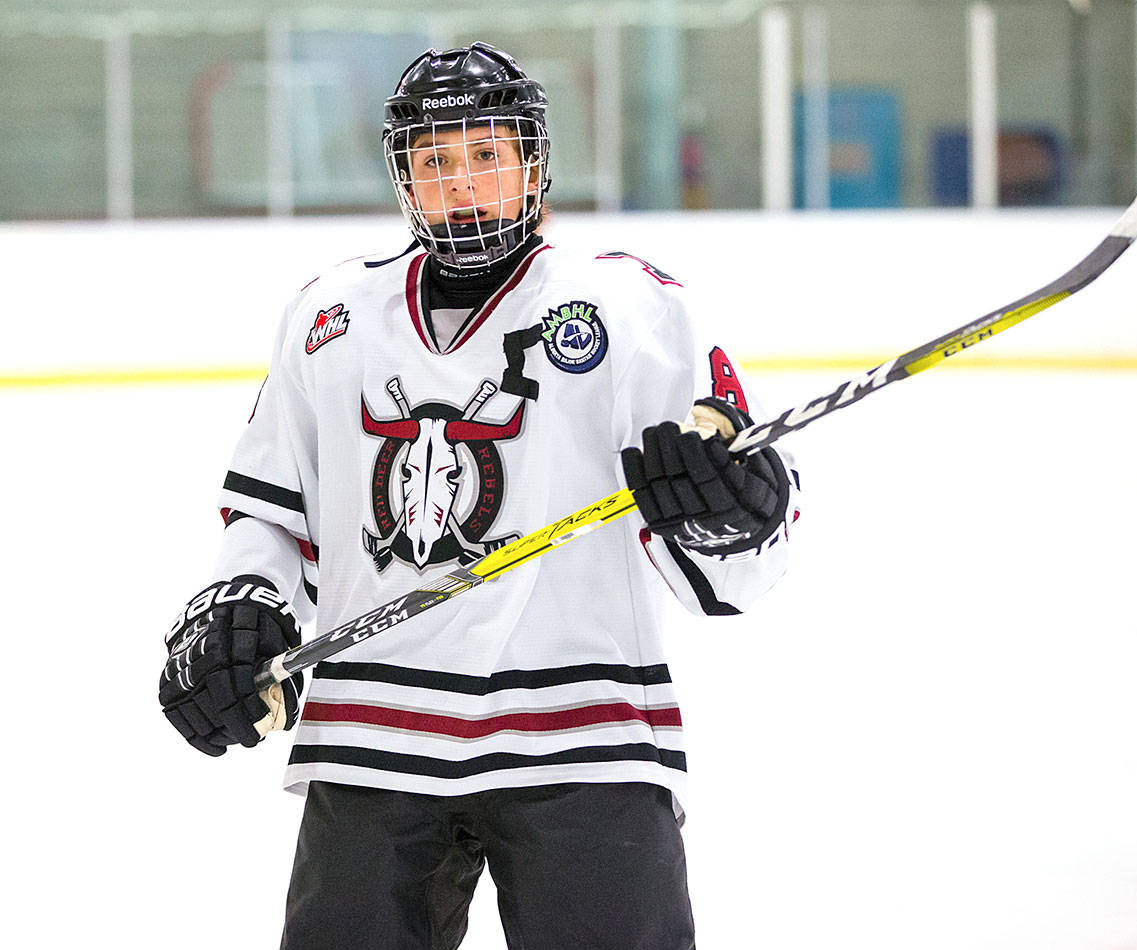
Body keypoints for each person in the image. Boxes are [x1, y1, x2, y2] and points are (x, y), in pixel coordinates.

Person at [158, 41, 799, 950]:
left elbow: (743, 570)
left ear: (533, 164)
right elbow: (271, 511)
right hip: (371, 737)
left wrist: (731, 511)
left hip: (589, 736)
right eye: (436, 161)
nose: (462, 184)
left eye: (486, 156)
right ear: (405, 180)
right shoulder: (327, 318)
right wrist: (240, 605)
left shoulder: (633, 308)